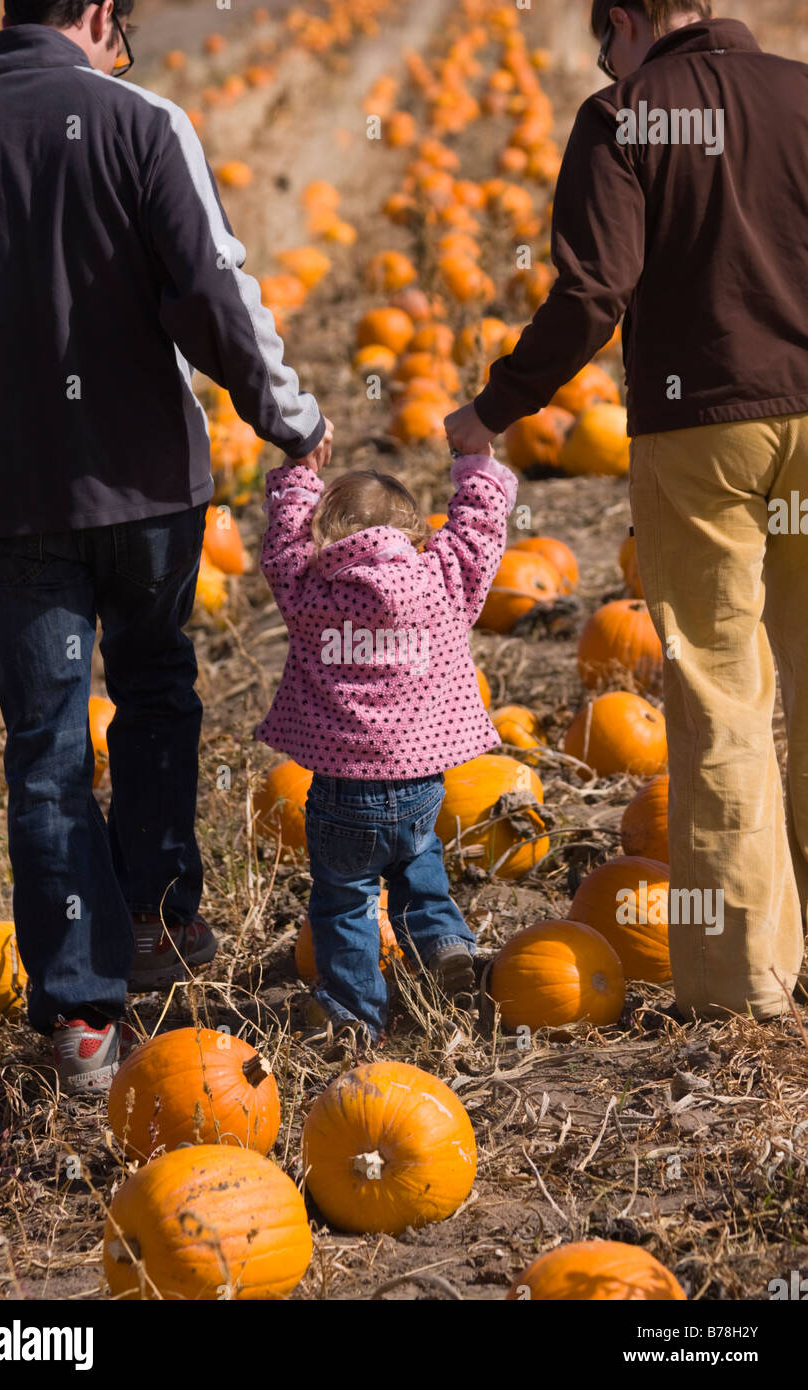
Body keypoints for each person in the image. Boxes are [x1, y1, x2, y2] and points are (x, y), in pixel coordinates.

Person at [0, 0, 332, 1093]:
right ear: (103, 12)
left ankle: (79, 1016)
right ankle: (158, 924)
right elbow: (212, 290)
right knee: (156, 692)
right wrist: (290, 420)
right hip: (144, 488)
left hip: (1, 500)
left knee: (45, 748)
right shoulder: (140, 118)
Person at [445, 1, 808, 1023]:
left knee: (718, 694)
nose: (601, 60)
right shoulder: (798, 91)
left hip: (704, 435)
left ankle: (742, 985)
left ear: (626, 20)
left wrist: (496, 406)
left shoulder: (621, 117)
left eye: (599, 39)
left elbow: (590, 294)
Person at [256, 447, 519, 1053]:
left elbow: (281, 548)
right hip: (422, 781)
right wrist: (476, 464)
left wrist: (299, 470)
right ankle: (447, 950)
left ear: (326, 530)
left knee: (345, 902)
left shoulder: (310, 587)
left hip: (343, 788)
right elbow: (477, 537)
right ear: (413, 530)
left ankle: (353, 1012)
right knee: (418, 864)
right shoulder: (441, 581)